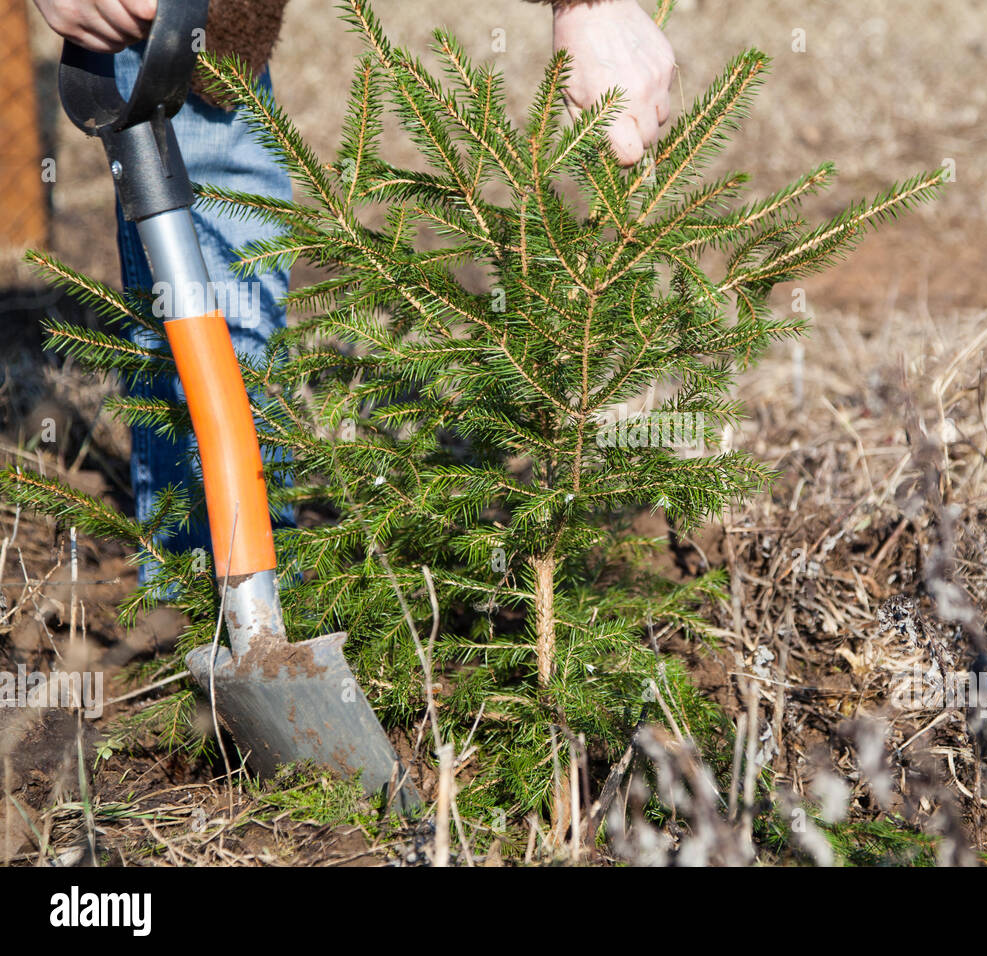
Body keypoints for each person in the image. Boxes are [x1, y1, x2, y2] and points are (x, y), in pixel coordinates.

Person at [32, 0, 676, 586]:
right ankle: (205, 596)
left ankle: (252, 586)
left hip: (215, 33)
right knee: (207, 178)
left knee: (221, 158)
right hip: (169, 32)